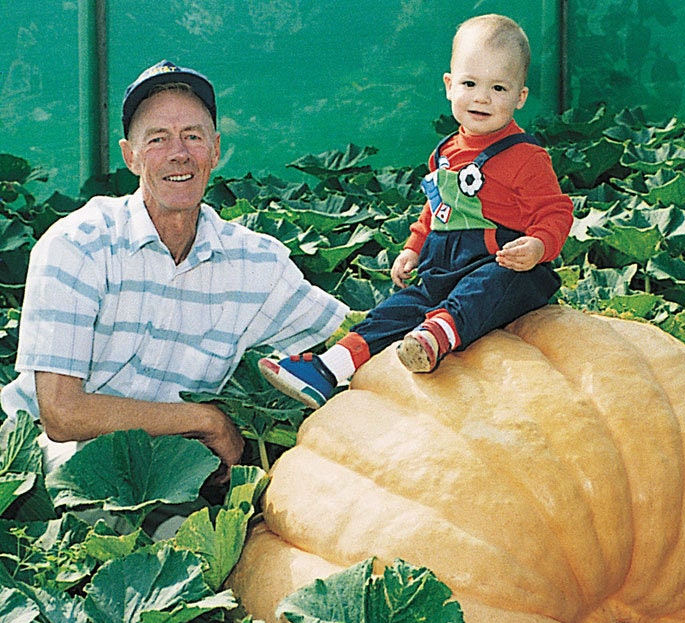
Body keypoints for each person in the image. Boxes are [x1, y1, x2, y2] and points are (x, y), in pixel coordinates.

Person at [0, 60, 348, 477]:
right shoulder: (77, 245)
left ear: (215, 150)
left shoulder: (257, 264)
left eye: (193, 137)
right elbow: (62, 414)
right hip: (46, 467)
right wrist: (206, 421)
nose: (179, 154)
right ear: (130, 157)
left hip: (176, 469)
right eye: (158, 139)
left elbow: (352, 336)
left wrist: (420, 301)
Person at [260, 14, 573, 410]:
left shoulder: (526, 157)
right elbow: (436, 209)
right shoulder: (445, 152)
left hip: (502, 267)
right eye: (470, 84)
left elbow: (555, 212)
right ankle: (328, 368)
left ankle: (436, 336)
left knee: (487, 287)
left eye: (498, 87)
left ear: (520, 97)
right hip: (442, 271)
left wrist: (538, 245)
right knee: (393, 311)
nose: (481, 98)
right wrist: (413, 247)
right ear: (449, 85)